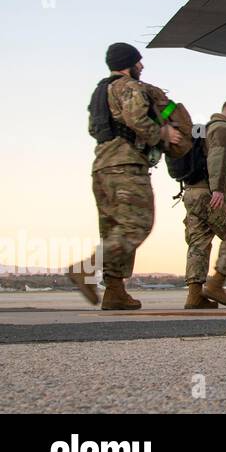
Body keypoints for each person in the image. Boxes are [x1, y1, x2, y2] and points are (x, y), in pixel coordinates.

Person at [75, 43, 184, 310]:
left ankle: (114, 291)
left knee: (114, 230)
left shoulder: (100, 92)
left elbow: (94, 129)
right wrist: (164, 135)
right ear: (129, 63)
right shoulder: (129, 87)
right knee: (137, 225)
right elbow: (136, 118)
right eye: (139, 62)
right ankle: (86, 268)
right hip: (126, 166)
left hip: (102, 167)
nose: (142, 66)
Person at [182, 99, 226, 308]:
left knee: (198, 242)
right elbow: (218, 157)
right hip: (212, 191)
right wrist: (218, 189)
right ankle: (216, 284)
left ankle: (194, 296)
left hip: (191, 192)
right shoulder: (224, 130)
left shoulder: (200, 130)